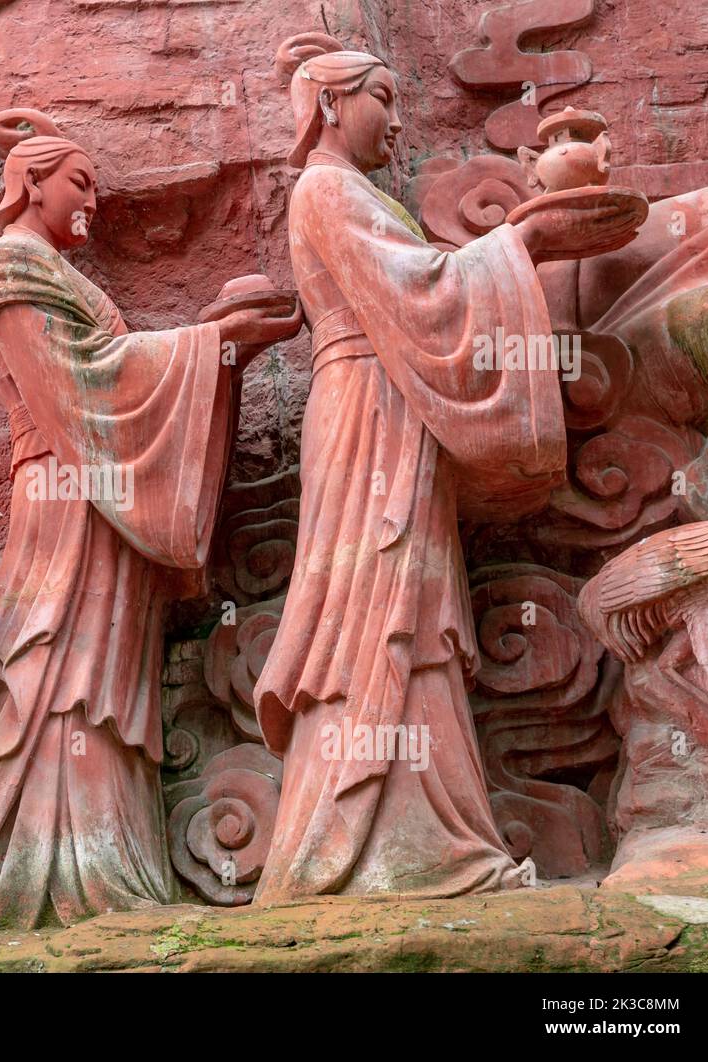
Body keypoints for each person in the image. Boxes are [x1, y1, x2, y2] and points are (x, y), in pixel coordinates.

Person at [253, 33, 641, 900]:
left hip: (398, 407)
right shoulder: (322, 189)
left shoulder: (354, 191)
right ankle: (354, 840)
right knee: (369, 606)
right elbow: (415, 287)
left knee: (417, 605)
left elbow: (426, 282)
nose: (396, 119)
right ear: (328, 103)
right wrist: (518, 246)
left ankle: (432, 833)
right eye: (382, 98)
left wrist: (516, 244)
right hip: (364, 408)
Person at [0, 109, 302, 930]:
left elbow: (111, 378)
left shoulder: (57, 272)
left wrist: (218, 350)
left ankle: (114, 860)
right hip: (64, 494)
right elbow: (76, 384)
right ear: (32, 184)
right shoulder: (8, 267)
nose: (92, 200)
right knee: (65, 672)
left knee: (109, 681)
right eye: (80, 183)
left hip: (103, 494)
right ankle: (52, 869)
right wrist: (204, 344)